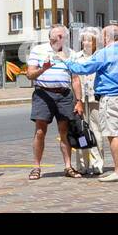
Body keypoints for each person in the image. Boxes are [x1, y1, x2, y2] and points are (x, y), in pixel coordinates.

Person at [61, 25, 118, 182]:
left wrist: (66, 62)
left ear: (107, 37)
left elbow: (84, 68)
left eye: (103, 36)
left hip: (111, 97)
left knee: (113, 135)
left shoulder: (105, 53)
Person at [25, 25, 80, 180]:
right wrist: (43, 69)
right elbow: (30, 74)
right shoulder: (38, 50)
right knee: (40, 131)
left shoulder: (71, 54)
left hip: (64, 94)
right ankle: (36, 167)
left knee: (64, 131)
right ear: (51, 38)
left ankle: (68, 166)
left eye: (63, 36)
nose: (60, 39)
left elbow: (75, 79)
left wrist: (79, 101)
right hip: (43, 93)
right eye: (57, 36)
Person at [70, 28, 106, 176]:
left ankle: (98, 163)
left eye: (89, 39)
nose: (86, 42)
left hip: (95, 97)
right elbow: (74, 78)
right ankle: (83, 164)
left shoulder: (101, 56)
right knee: (81, 131)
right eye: (84, 39)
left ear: (96, 42)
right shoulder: (76, 57)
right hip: (80, 98)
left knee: (96, 130)